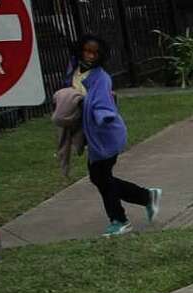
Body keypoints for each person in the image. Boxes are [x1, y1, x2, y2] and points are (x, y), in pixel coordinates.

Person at [68, 35, 159, 237]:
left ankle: (120, 219)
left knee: (101, 178)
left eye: (95, 52)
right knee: (100, 177)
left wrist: (103, 116)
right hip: (94, 135)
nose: (90, 55)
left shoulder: (101, 77)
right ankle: (147, 197)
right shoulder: (76, 69)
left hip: (106, 134)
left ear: (101, 55)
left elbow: (103, 104)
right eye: (87, 51)